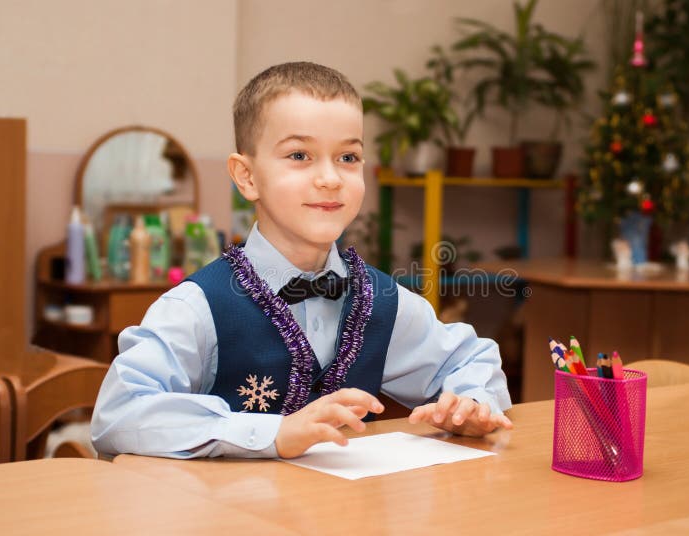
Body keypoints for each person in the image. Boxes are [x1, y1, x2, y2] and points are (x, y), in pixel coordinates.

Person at [91, 61, 512, 459]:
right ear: (247, 176)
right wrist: (270, 434)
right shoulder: (198, 307)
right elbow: (119, 413)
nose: (330, 178)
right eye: (299, 155)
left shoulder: (384, 301)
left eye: (348, 158)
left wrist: (471, 406)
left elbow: (471, 360)